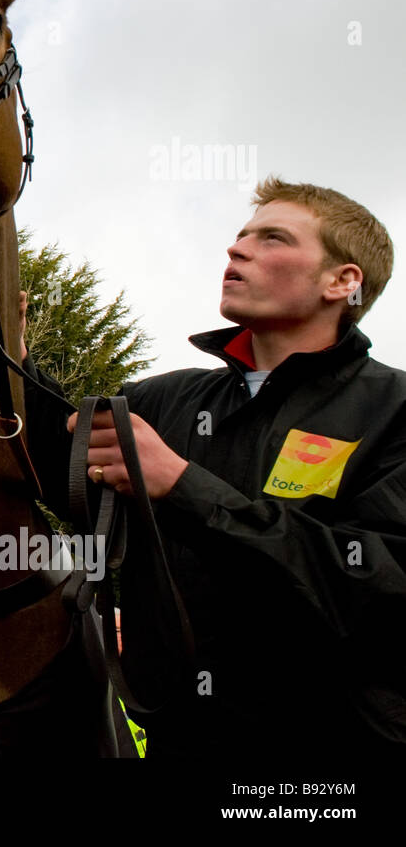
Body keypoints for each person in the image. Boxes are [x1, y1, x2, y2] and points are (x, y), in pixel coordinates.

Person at [28, 178, 406, 756]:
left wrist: (181, 487)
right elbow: (67, 479)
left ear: (343, 281)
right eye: (239, 236)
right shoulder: (160, 402)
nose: (237, 249)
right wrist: (12, 356)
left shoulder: (394, 410)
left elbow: (381, 594)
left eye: (273, 238)